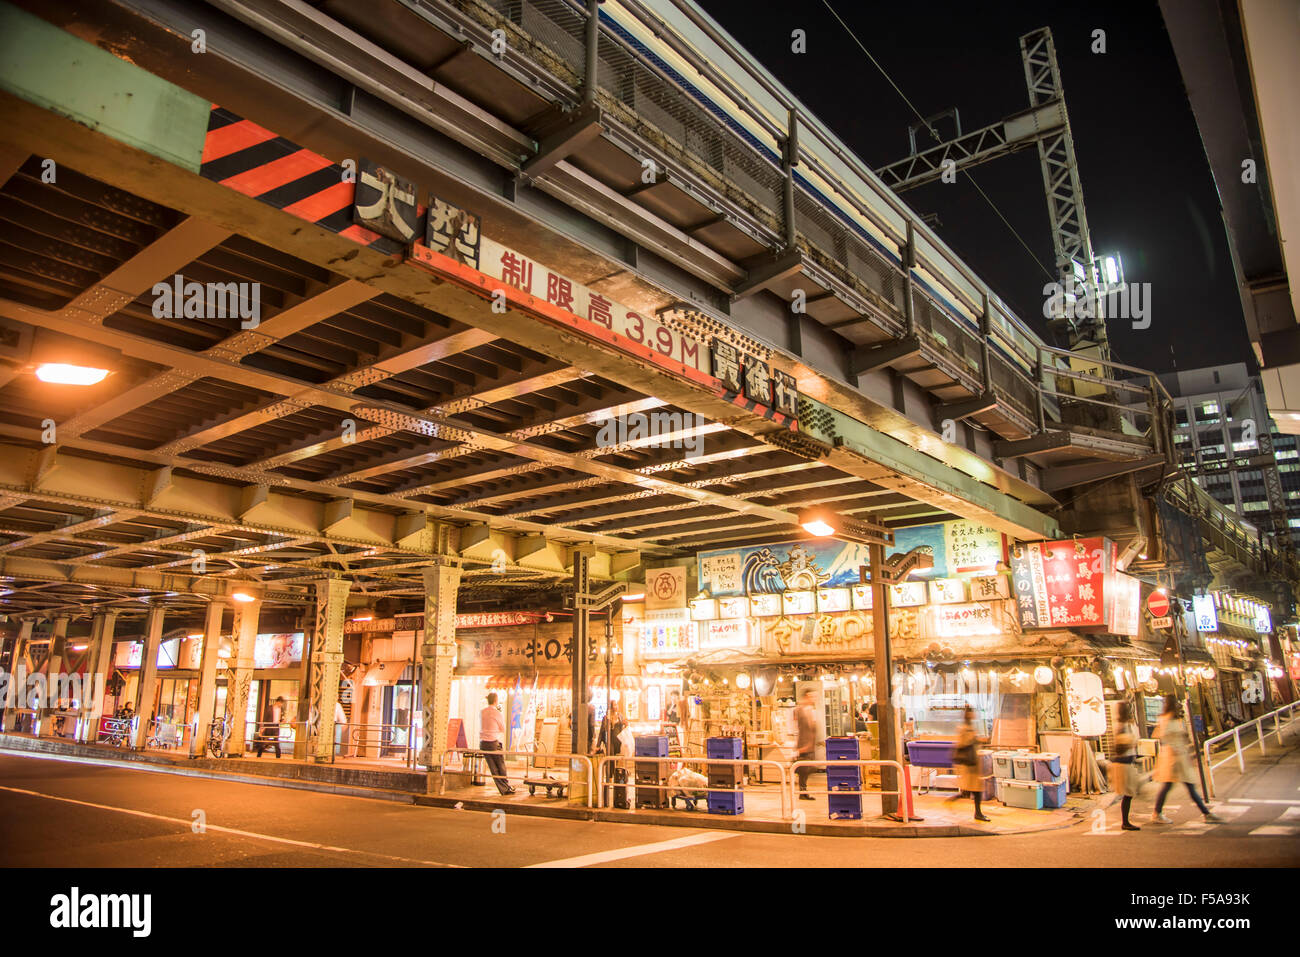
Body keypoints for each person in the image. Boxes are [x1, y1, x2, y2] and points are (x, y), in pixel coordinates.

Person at [1151, 694, 1218, 823]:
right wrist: (1178, 751)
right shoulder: (1167, 719)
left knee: (1176, 787)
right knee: (1181, 787)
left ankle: (1157, 813)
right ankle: (1206, 813)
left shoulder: (1172, 719)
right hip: (1173, 760)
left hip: (1178, 759)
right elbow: (1164, 737)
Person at [951, 706, 990, 822]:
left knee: (973, 789)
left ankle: (977, 812)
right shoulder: (964, 728)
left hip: (973, 763)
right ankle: (977, 813)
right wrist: (975, 739)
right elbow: (963, 743)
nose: (973, 715)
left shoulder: (969, 726)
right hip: (969, 765)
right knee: (976, 790)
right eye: (971, 713)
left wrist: (978, 740)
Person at [1109, 700, 1141, 831]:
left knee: (1129, 793)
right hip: (1123, 764)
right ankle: (1125, 822)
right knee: (1128, 794)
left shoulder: (1124, 725)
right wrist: (1128, 741)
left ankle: (1126, 821)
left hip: (1126, 763)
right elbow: (1118, 748)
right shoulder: (1122, 726)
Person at [479, 692, 515, 795]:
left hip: (483, 743)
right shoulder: (497, 713)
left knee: (493, 769)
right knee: (500, 766)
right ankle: (506, 787)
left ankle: (504, 788)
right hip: (493, 741)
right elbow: (502, 728)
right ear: (496, 701)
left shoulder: (482, 712)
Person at [794, 689, 819, 800]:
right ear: (806, 696)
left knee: (808, 768)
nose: (813, 699)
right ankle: (803, 792)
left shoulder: (811, 710)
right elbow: (796, 727)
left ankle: (803, 791)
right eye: (812, 696)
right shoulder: (799, 710)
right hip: (804, 743)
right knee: (804, 769)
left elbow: (813, 728)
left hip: (810, 744)